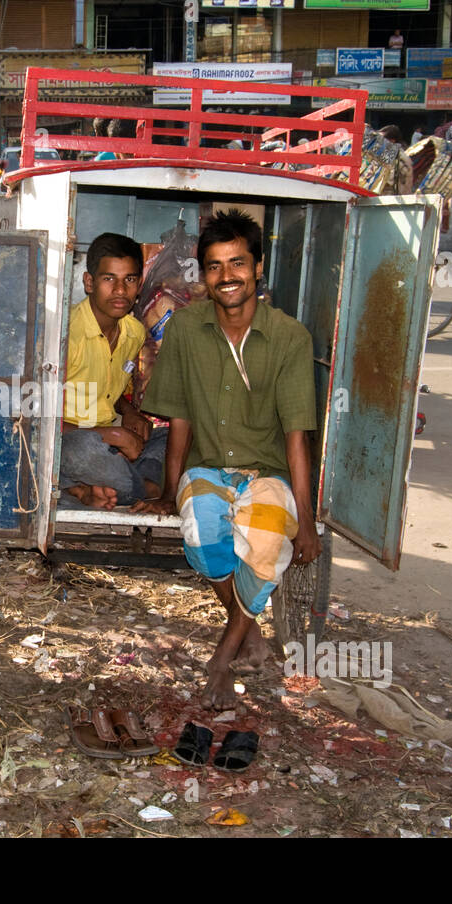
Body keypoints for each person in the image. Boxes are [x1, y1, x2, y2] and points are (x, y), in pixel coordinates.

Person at [134, 210, 319, 709]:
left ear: (259, 267)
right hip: (206, 467)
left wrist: (307, 521)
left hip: (268, 471)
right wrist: (169, 492)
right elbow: (178, 419)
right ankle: (249, 629)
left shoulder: (289, 338)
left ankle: (222, 656)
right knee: (199, 530)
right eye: (214, 267)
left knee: (265, 545)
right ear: (204, 275)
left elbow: (298, 436)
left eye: (238, 263)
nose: (227, 277)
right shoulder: (187, 330)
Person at [59, 232, 166, 509]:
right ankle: (149, 488)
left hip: (110, 441)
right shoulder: (64, 334)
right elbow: (33, 418)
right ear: (89, 282)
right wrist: (112, 436)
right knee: (84, 453)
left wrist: (130, 414)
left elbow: (108, 388)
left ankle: (91, 488)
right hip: (69, 440)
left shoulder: (134, 333)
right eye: (109, 279)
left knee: (175, 437)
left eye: (129, 279)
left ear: (139, 284)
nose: (120, 290)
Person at [378, 124, 413, 194]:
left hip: (395, 197)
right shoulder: (390, 154)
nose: (379, 142)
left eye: (382, 139)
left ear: (392, 140)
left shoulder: (399, 156)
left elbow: (389, 181)